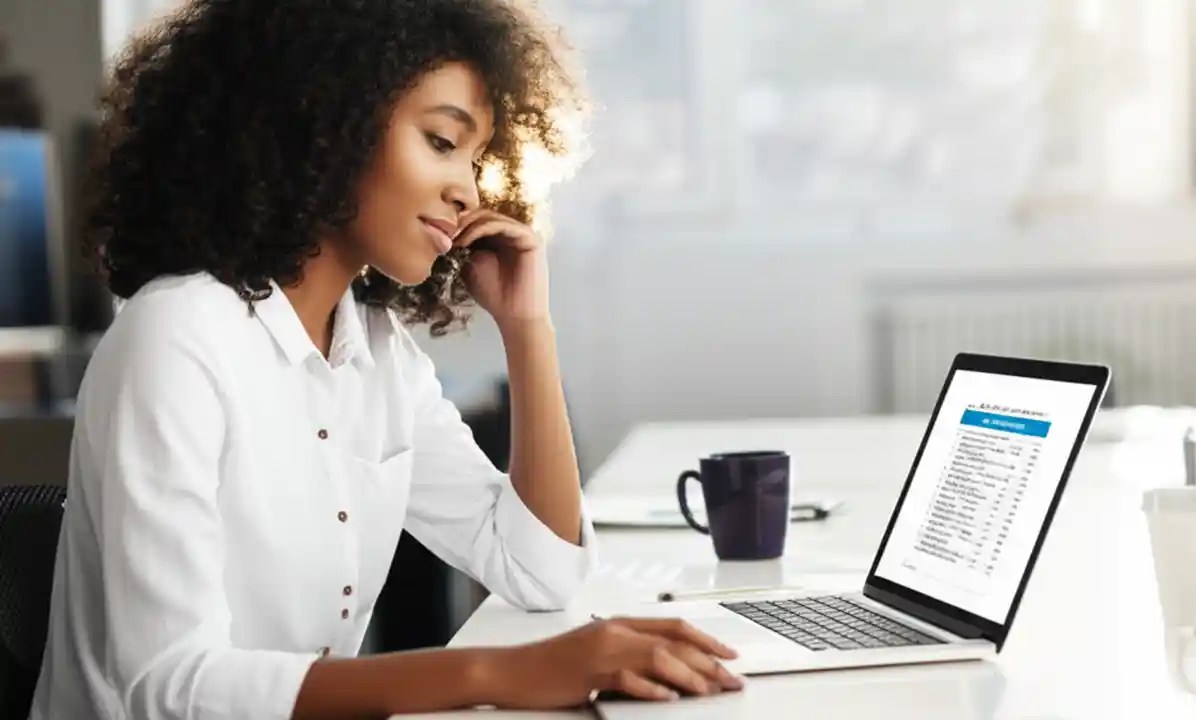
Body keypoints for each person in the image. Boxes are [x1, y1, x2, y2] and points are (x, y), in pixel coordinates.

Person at [28, 1, 742, 718]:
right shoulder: (177, 336)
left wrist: (528, 329)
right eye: (440, 140)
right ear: (324, 122)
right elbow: (170, 687)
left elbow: (542, 571)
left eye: (476, 158)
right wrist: (489, 675)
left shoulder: (374, 349)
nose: (467, 188)